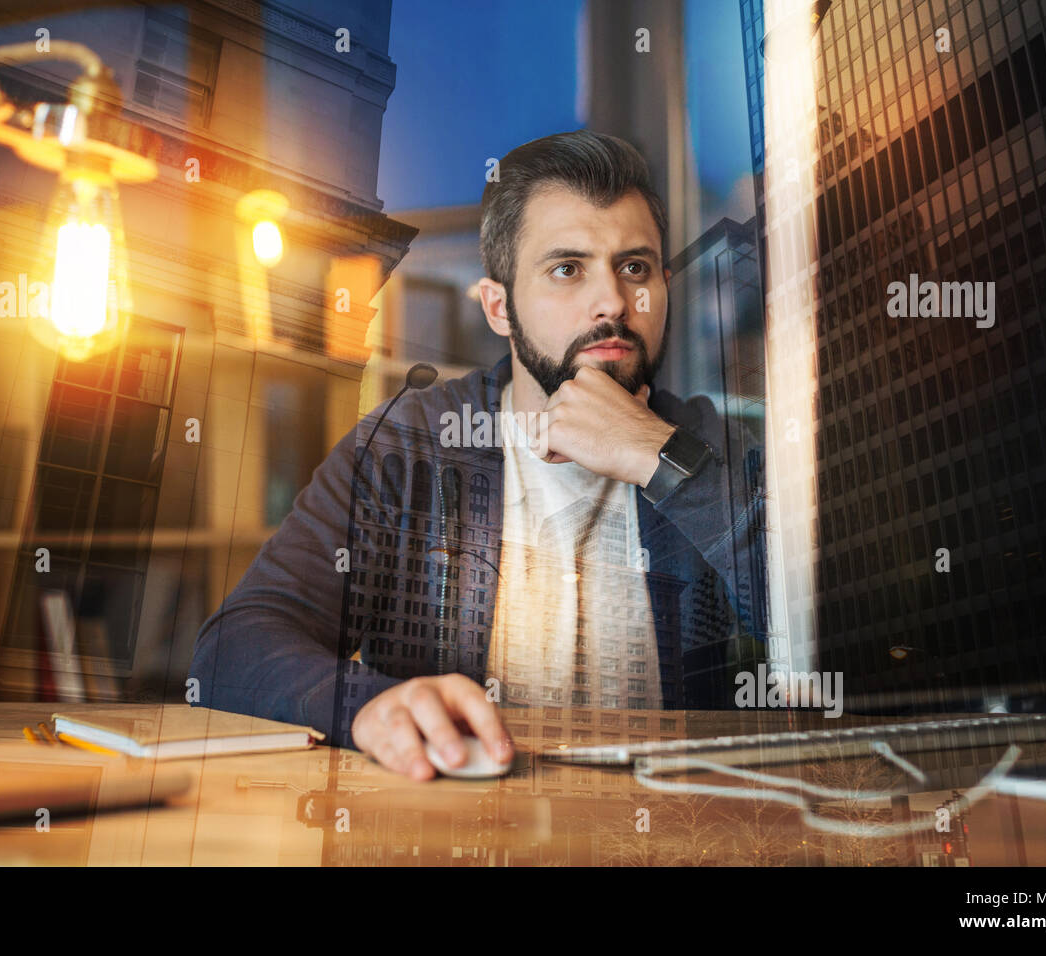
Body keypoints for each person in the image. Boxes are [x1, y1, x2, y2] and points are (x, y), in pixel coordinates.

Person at [190, 130, 763, 780]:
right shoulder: (412, 446)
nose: (611, 302)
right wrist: (367, 706)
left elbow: (853, 642)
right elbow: (229, 651)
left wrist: (664, 460)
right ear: (499, 306)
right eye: (566, 269)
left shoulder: (712, 447)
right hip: (456, 841)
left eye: (634, 268)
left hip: (674, 840)